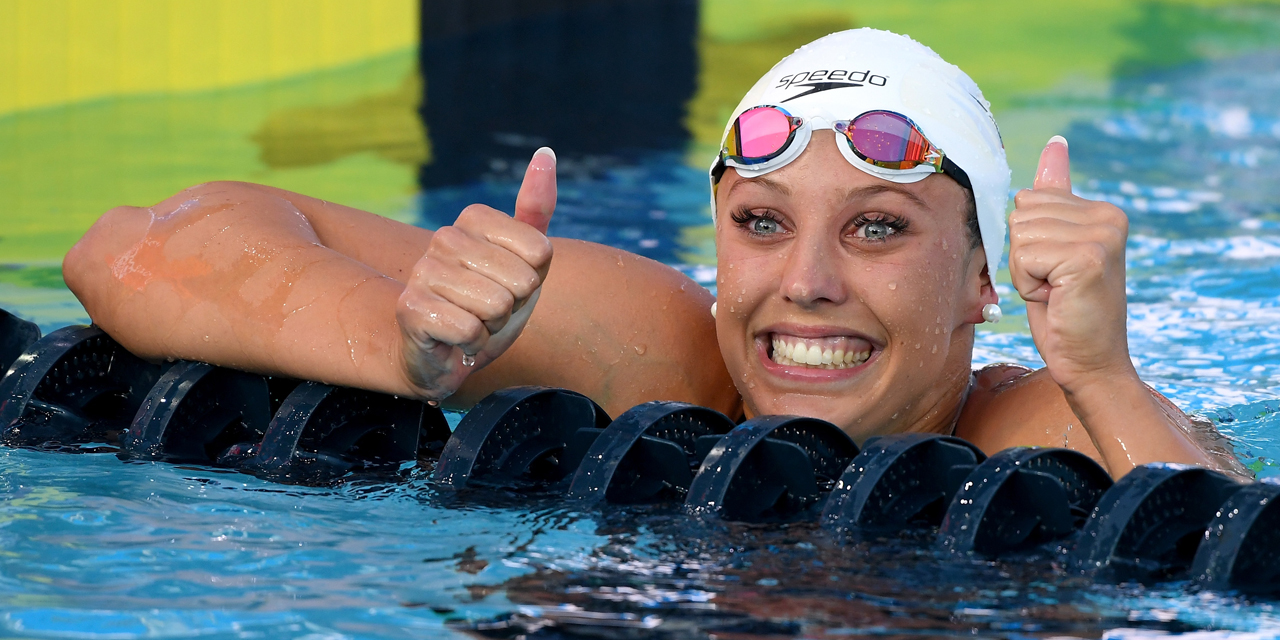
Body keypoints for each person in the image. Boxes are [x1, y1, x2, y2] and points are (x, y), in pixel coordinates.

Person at [62, 29, 1245, 478]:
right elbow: (138, 244)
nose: (805, 285)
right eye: (761, 223)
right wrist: (398, 342)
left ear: (985, 278)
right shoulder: (660, 352)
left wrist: (1100, 372)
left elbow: (1224, 557)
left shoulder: (1038, 430)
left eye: (876, 227)